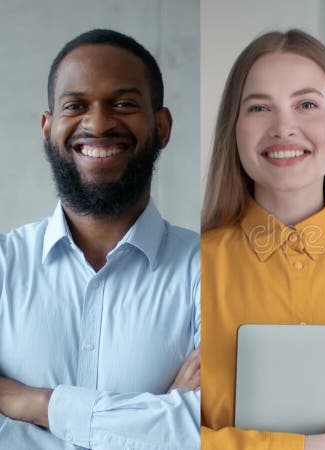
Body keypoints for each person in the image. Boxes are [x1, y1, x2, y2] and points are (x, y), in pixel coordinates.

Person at [200, 29, 325, 450]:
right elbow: (156, 435)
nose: (283, 128)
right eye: (259, 107)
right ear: (234, 129)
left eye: (306, 104)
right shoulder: (186, 270)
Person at [0, 29, 200, 449]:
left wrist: (30, 403)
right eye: (75, 105)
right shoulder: (4, 265)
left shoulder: (212, 272)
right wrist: (155, 418)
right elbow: (175, 432)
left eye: (123, 104)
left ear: (161, 127)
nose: (98, 123)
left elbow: (204, 429)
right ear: (47, 127)